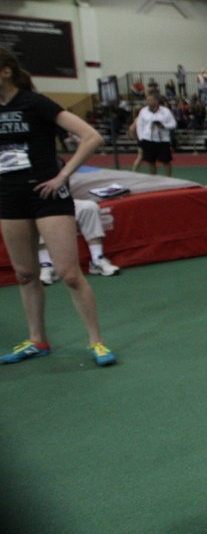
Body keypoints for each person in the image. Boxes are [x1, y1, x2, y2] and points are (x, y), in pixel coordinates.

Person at [0, 48, 117, 367]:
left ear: (6, 71)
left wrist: (62, 176)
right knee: (25, 274)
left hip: (47, 195)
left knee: (69, 274)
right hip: (9, 197)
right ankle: (37, 340)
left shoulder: (36, 103)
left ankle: (97, 342)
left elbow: (91, 137)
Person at [38, 198, 121, 283]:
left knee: (89, 207)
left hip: (61, 202)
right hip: (36, 207)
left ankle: (97, 258)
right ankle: (47, 264)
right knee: (35, 215)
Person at [131, 91, 175, 176]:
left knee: (166, 161)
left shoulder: (165, 111)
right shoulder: (143, 111)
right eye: (147, 100)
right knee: (151, 161)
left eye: (150, 100)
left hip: (162, 140)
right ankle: (153, 177)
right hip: (148, 140)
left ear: (156, 101)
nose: (147, 102)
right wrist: (141, 138)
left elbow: (173, 124)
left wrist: (163, 126)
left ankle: (168, 178)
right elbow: (140, 125)